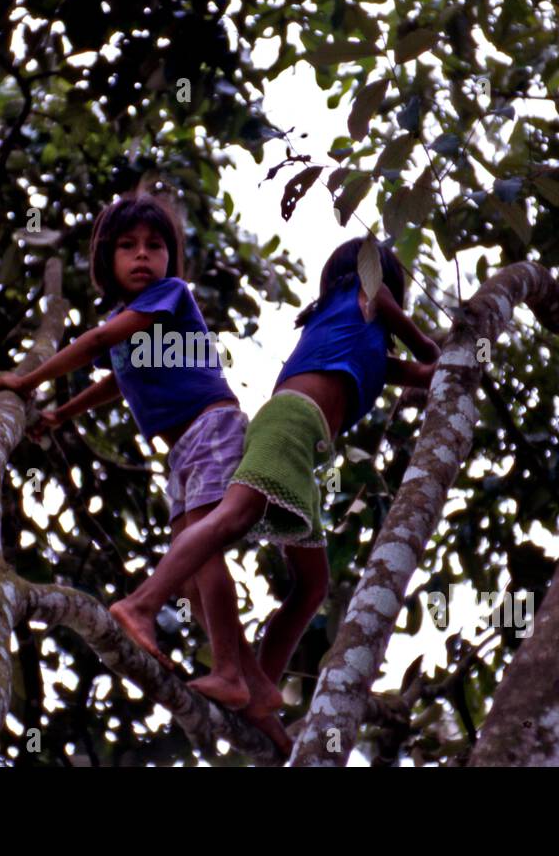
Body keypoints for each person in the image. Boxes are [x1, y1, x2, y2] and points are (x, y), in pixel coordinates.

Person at [110, 236, 441, 749]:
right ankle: (143, 605)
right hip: (288, 421)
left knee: (312, 583)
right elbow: (407, 334)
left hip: (306, 447)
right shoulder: (359, 295)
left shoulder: (366, 340)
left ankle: (256, 691)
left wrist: (451, 364)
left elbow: (422, 374)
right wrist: (429, 343)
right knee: (230, 519)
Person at [0, 191, 283, 722]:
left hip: (211, 427)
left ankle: (206, 654)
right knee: (192, 565)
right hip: (188, 448)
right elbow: (117, 379)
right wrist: (62, 413)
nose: (142, 256)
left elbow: (99, 340)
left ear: (170, 257)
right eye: (128, 246)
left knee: (201, 547)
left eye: (154, 245)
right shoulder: (134, 320)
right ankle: (255, 688)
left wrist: (27, 381)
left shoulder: (169, 295)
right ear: (108, 261)